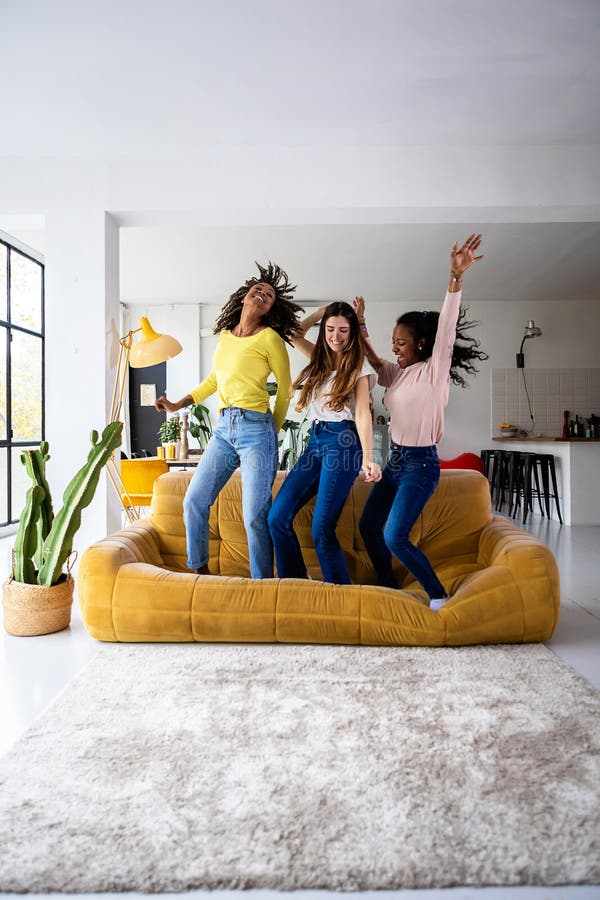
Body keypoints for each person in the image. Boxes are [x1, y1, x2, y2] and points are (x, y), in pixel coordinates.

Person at [354, 234, 487, 610]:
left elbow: (447, 327)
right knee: (368, 525)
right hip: (396, 461)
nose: (395, 347)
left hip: (421, 464)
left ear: (422, 344)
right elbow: (374, 360)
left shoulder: (434, 371)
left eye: (401, 342)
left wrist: (455, 278)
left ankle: (438, 594)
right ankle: (388, 585)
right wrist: (360, 322)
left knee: (395, 536)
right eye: (393, 341)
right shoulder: (397, 373)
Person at [155, 261, 303, 578]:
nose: (262, 294)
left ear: (271, 309)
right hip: (224, 430)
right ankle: (200, 572)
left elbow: (285, 390)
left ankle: (262, 585)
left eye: (270, 295)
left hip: (257, 429)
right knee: (194, 501)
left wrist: (272, 430)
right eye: (258, 289)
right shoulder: (225, 337)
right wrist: (178, 404)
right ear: (245, 296)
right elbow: (213, 381)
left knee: (254, 515)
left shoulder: (270, 339)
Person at [268, 301, 382, 584]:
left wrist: (369, 458)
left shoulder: (359, 365)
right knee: (277, 517)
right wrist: (320, 313)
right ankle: (295, 581)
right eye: (330, 329)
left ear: (352, 331)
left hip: (343, 443)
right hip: (316, 441)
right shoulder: (318, 357)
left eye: (343, 330)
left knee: (321, 529)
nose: (336, 336)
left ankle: (340, 595)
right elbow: (293, 334)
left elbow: (362, 412)